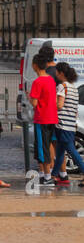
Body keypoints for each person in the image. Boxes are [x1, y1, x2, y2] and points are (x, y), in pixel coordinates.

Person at [49, 62, 84, 189]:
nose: (55, 74)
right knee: (60, 153)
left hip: (62, 124)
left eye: (57, 72)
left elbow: (59, 105)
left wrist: (50, 102)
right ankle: (55, 176)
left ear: (61, 73)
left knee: (72, 152)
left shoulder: (62, 87)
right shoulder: (74, 88)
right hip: (70, 125)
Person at [29, 53, 60, 185]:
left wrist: (30, 98)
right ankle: (45, 174)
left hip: (42, 118)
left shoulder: (37, 82)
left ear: (35, 66)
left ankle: (47, 176)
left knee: (42, 148)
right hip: (52, 117)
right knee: (47, 146)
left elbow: (35, 103)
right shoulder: (51, 80)